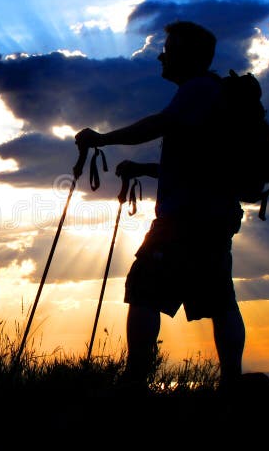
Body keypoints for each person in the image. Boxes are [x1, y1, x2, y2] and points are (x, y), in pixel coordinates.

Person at [75, 20, 245, 390]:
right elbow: (198, 168)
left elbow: (160, 124)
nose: (161, 55)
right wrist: (144, 169)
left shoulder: (197, 90)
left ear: (189, 55)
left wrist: (102, 139)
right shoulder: (212, 95)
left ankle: (136, 380)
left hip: (184, 220)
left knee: (144, 289)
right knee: (219, 299)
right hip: (215, 217)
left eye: (169, 49)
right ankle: (233, 384)